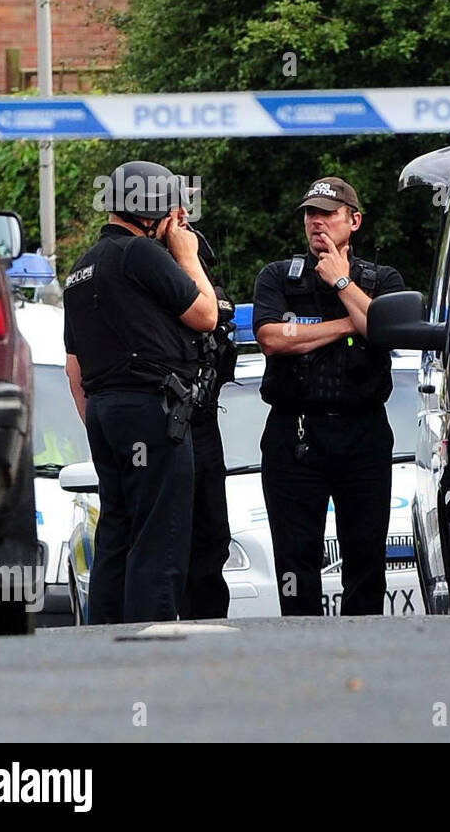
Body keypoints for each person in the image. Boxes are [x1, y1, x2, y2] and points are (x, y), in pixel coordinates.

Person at [63, 161, 219, 624]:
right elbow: (206, 315)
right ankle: (148, 643)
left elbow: (74, 369)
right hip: (152, 410)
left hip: (104, 413)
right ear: (150, 207)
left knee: (117, 528)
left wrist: (100, 420)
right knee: (159, 534)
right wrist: (187, 254)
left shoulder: (80, 268)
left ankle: (104, 640)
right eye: (173, 208)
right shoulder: (140, 254)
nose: (180, 219)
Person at [252, 176, 406, 615]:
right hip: (295, 434)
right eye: (310, 215)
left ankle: (365, 654)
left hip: (363, 434)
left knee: (366, 557)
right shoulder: (278, 277)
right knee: (296, 563)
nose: (317, 223)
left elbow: (388, 331)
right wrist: (350, 323)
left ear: (353, 221)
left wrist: (342, 283)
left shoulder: (383, 278)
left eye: (328, 214)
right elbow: (274, 339)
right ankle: (303, 655)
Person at [178, 227, 238, 620]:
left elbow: (215, 318)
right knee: (170, 544)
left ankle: (209, 628)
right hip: (168, 423)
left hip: (203, 421)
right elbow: (205, 315)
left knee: (212, 539)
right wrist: (184, 255)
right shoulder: (153, 273)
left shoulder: (201, 279)